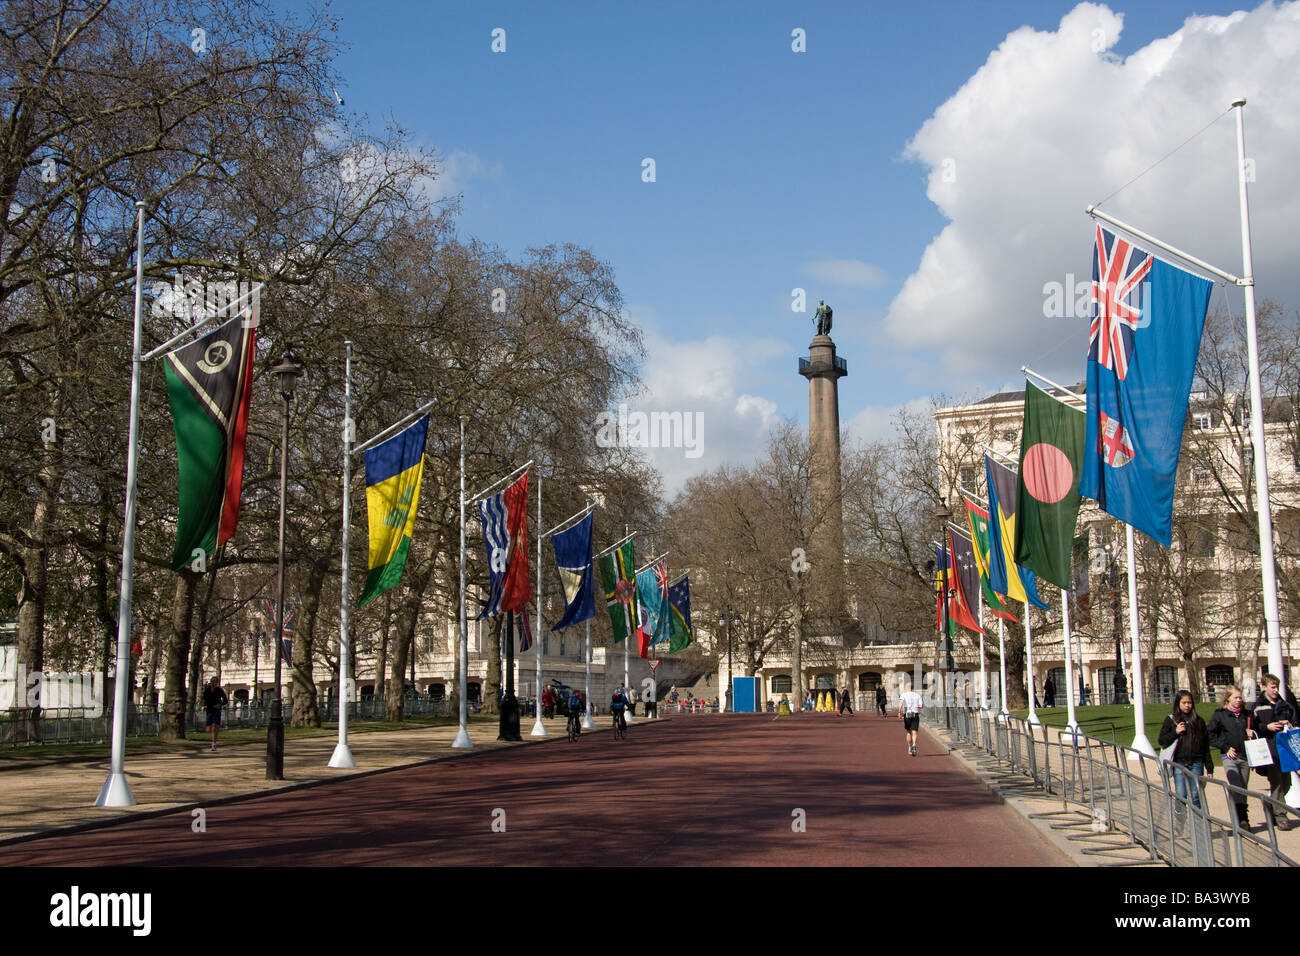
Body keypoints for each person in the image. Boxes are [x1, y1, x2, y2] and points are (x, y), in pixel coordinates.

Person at [1208, 685, 1257, 829]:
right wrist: (1225, 747)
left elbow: (1258, 729)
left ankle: (1241, 815)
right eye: (1235, 697)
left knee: (1243, 788)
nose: (1238, 700)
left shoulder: (1247, 714)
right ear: (1227, 698)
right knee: (1236, 786)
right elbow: (1210, 734)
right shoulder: (1220, 714)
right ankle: (1242, 820)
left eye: (1240, 697)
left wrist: (1252, 733)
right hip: (1229, 756)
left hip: (1245, 756)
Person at [1252, 673, 1295, 829]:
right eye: (1273, 687)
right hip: (1269, 749)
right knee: (1276, 782)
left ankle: (1271, 805)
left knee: (1287, 783)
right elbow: (1254, 728)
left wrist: (1288, 724)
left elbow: (1294, 720)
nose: (1276, 690)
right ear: (1264, 687)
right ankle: (1281, 817)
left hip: (1284, 748)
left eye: (1277, 687)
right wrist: (1266, 727)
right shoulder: (1257, 706)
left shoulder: (1284, 705)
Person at [1157, 690, 1212, 811]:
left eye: (1190, 702)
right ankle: (1180, 823)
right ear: (1178, 704)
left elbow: (1205, 745)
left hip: (1196, 762)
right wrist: (1175, 732)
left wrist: (1209, 767)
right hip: (1179, 763)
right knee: (1181, 795)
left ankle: (1198, 826)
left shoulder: (1199, 721)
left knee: (1196, 796)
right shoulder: (1171, 720)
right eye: (1184, 703)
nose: (1187, 705)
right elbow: (1161, 740)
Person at [202, 676, 228, 752]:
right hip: (209, 710)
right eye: (212, 681)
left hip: (216, 710)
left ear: (217, 682)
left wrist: (220, 704)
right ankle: (214, 734)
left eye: (215, 681)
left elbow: (225, 700)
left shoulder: (219, 690)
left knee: (214, 727)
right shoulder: (207, 690)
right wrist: (203, 705)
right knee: (208, 729)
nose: (213, 683)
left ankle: (213, 744)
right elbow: (204, 699)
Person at [899, 683, 923, 756]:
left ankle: (910, 747)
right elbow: (921, 706)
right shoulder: (917, 695)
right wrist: (916, 707)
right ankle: (914, 744)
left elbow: (901, 703)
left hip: (908, 714)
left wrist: (899, 712)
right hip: (915, 713)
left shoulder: (904, 694)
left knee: (909, 732)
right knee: (914, 732)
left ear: (906, 688)